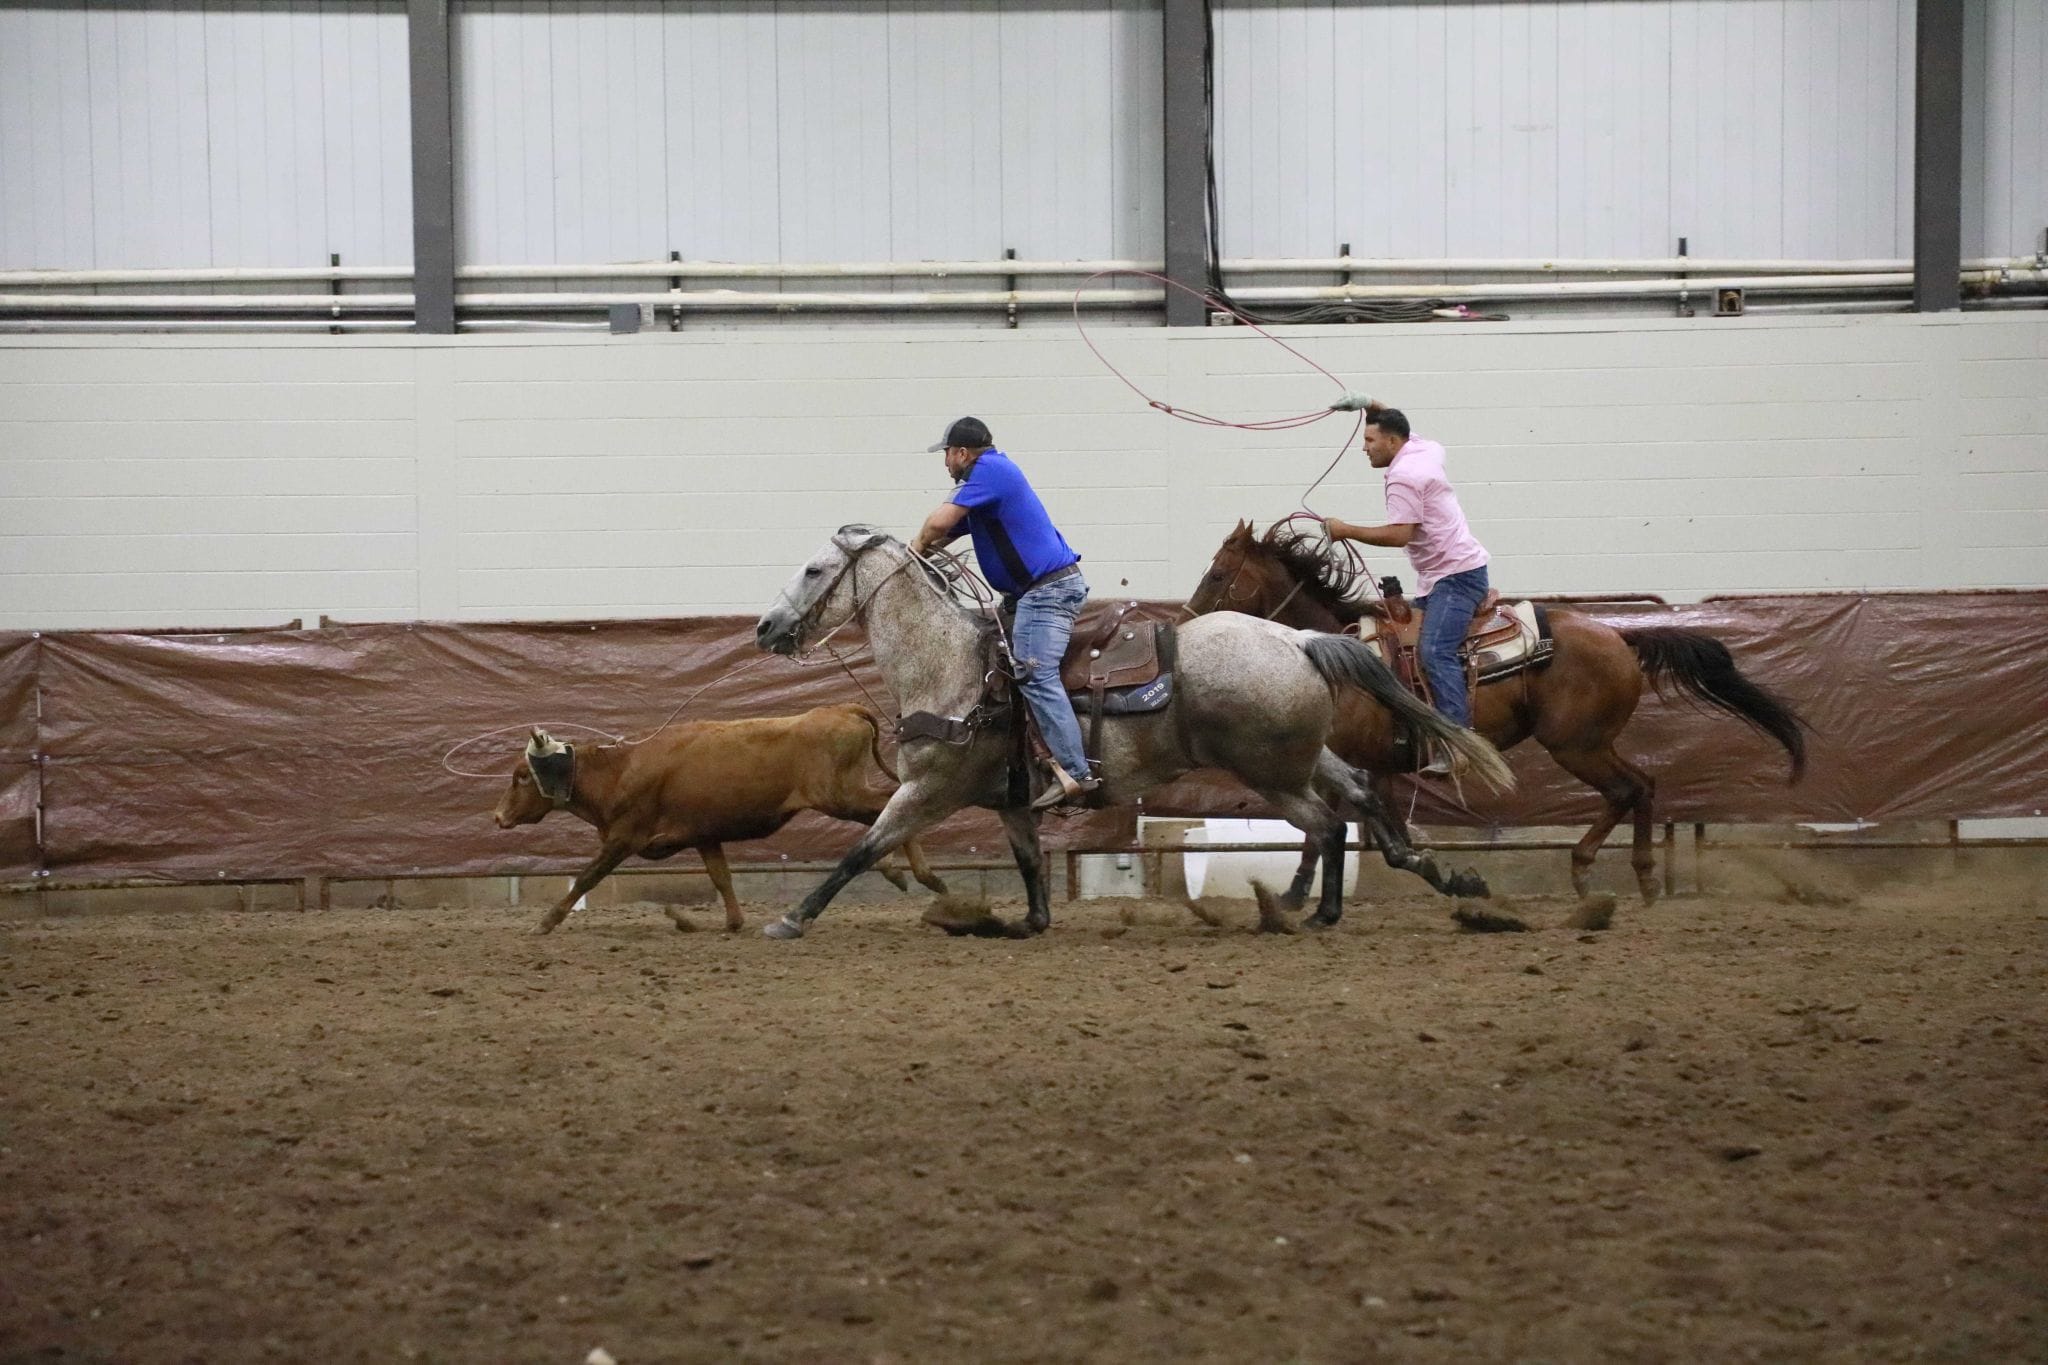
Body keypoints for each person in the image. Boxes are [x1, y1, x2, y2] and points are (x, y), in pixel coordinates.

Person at [908, 416, 1100, 810]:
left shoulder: (989, 471)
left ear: (962, 453)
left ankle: (1077, 774)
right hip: (1028, 595)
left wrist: (912, 551)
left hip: (1046, 592)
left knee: (1034, 673)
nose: (945, 463)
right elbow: (946, 535)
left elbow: (937, 523)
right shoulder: (986, 486)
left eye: (946, 454)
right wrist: (920, 553)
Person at [1323, 405, 1490, 775]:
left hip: (1455, 577)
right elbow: (1397, 420)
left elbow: (1401, 534)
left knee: (1433, 652)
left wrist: (1344, 529)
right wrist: (1368, 403)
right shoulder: (1423, 448)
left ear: (1392, 441)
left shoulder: (1404, 476)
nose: (1364, 447)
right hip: (1449, 573)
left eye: (1369, 440)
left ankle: (1458, 744)